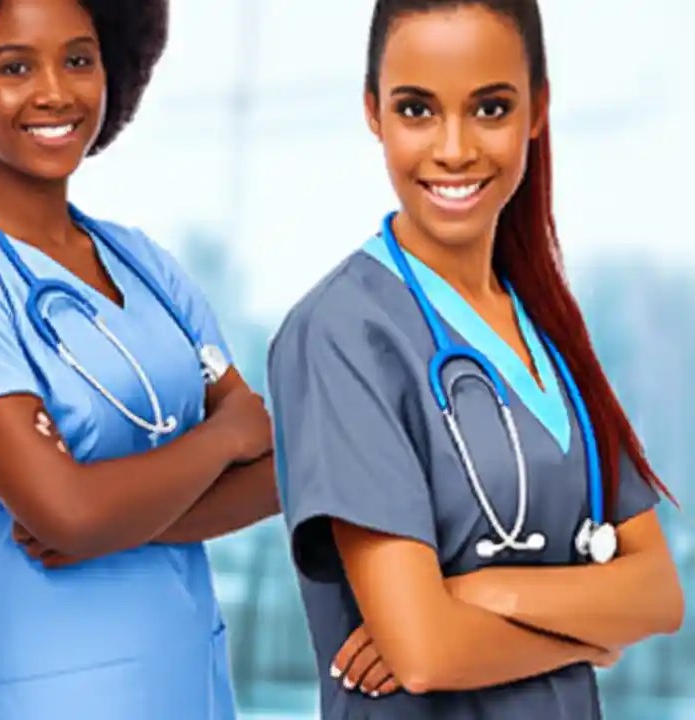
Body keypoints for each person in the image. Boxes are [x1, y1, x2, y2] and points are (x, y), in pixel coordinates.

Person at [0, 0, 279, 717]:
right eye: (15, 67)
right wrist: (224, 436)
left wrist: (114, 520)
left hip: (187, 678)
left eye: (79, 59)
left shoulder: (144, 264)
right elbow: (64, 513)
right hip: (47, 681)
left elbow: (283, 471)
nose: (55, 91)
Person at [267, 1, 684, 717]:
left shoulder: (548, 328)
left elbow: (660, 595)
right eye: (417, 110)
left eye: (489, 109)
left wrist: (488, 590)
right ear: (373, 113)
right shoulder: (343, 331)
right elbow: (425, 653)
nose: (454, 149)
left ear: (537, 111)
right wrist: (591, 635)